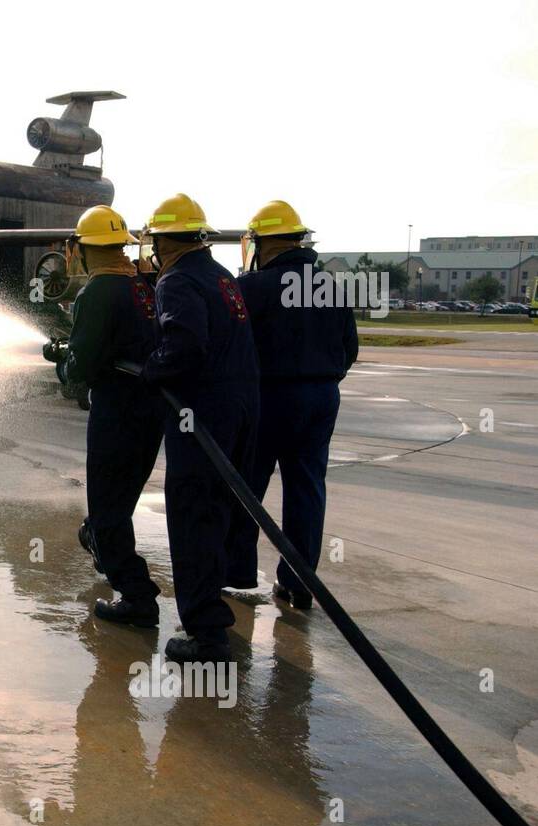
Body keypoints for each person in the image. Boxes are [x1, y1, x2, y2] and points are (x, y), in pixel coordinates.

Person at [139, 194, 259, 663]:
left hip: (203, 417)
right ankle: (214, 611)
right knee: (217, 514)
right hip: (241, 409)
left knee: (192, 517)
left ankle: (206, 634)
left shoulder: (178, 280)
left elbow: (184, 346)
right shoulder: (221, 275)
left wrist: (151, 371)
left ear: (166, 241)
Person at [225, 201, 359, 609]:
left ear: (263, 243)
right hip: (321, 397)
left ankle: (238, 572)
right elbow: (349, 348)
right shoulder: (330, 287)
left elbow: (233, 348)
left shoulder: (253, 287)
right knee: (306, 490)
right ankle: (298, 583)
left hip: (268, 397)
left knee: (246, 486)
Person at [61, 205, 166, 626]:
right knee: (119, 500)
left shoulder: (98, 291)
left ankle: (137, 594)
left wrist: (64, 364)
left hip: (117, 413)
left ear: (84, 250)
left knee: (108, 507)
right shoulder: (144, 285)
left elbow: (80, 369)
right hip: (150, 410)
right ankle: (101, 541)